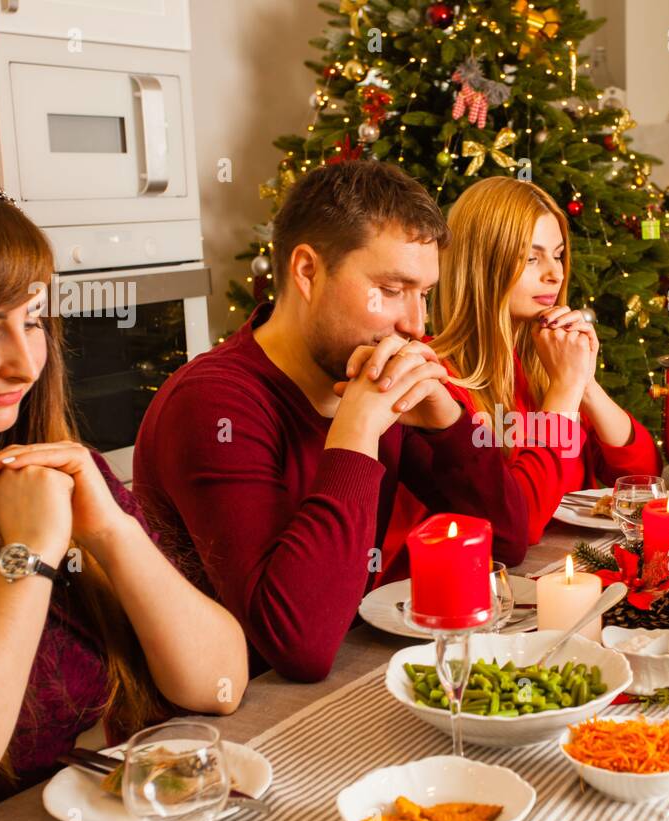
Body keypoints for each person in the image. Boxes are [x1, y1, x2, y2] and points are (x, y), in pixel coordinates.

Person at [0, 169, 249, 821]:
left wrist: (108, 527)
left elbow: (219, 682)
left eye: (35, 321)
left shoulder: (61, 474)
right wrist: (31, 557)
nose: (26, 363)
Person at [133, 161, 529, 683]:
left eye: (424, 293)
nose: (416, 324)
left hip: (341, 683)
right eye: (390, 289)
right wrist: (356, 435)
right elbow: (296, 647)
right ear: (307, 271)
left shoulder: (367, 370)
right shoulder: (212, 404)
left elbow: (504, 540)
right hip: (221, 732)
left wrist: (447, 424)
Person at [413, 177, 661, 544]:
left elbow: (643, 479)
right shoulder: (438, 380)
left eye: (558, 255)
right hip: (497, 588)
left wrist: (585, 385)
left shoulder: (547, 359)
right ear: (482, 267)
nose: (556, 273)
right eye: (531, 258)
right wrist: (564, 390)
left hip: (579, 576)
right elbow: (519, 523)